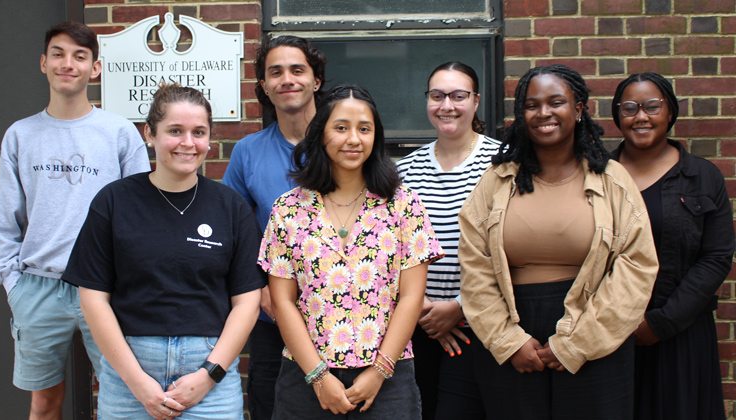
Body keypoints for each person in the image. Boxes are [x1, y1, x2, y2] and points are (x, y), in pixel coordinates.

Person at [457, 64, 659, 419]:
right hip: (511, 333)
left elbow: (637, 266)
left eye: (556, 102)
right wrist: (508, 341)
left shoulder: (612, 179)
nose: (543, 113)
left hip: (595, 336)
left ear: (578, 109)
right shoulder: (496, 180)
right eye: (532, 105)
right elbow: (475, 265)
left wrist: (579, 343)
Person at [61, 84, 265, 419]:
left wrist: (208, 375)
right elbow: (93, 298)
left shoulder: (231, 206)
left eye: (198, 132)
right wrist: (137, 381)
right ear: (149, 134)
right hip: (130, 376)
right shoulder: (113, 202)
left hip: (209, 379)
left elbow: (247, 301)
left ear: (209, 139)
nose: (188, 143)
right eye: (175, 131)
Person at [0, 21, 150, 420]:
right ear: (43, 63)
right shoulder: (20, 135)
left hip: (105, 290)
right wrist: (12, 284)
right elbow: (5, 219)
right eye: (58, 54)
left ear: (95, 68)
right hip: (37, 288)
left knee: (123, 400)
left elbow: (139, 213)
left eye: (80, 56)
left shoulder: (119, 133)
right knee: (44, 404)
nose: (68, 63)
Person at [259, 84, 444, 419]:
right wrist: (318, 376)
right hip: (305, 377)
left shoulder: (404, 205)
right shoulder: (288, 209)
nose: (354, 139)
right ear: (320, 134)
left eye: (364, 129)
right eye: (341, 128)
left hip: (388, 379)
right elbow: (282, 300)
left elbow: (411, 297)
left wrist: (379, 372)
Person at [610, 73, 735, 420]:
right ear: (617, 115)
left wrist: (661, 323)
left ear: (670, 112)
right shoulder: (597, 176)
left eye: (652, 106)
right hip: (607, 334)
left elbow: (716, 257)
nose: (641, 117)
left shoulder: (703, 177)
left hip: (682, 334)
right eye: (630, 108)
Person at [222, 34, 327, 420]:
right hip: (272, 320)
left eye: (298, 70)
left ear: (316, 80)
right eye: (276, 72)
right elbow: (234, 229)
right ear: (264, 86)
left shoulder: (345, 142)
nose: (287, 79)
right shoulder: (248, 151)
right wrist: (258, 285)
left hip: (342, 314)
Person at [396, 61, 499, 420]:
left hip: (480, 324)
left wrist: (459, 306)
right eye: (437, 96)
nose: (447, 106)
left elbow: (510, 247)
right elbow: (389, 247)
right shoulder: (404, 170)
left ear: (476, 101)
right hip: (413, 323)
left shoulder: (501, 164)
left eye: (458, 96)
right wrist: (423, 309)